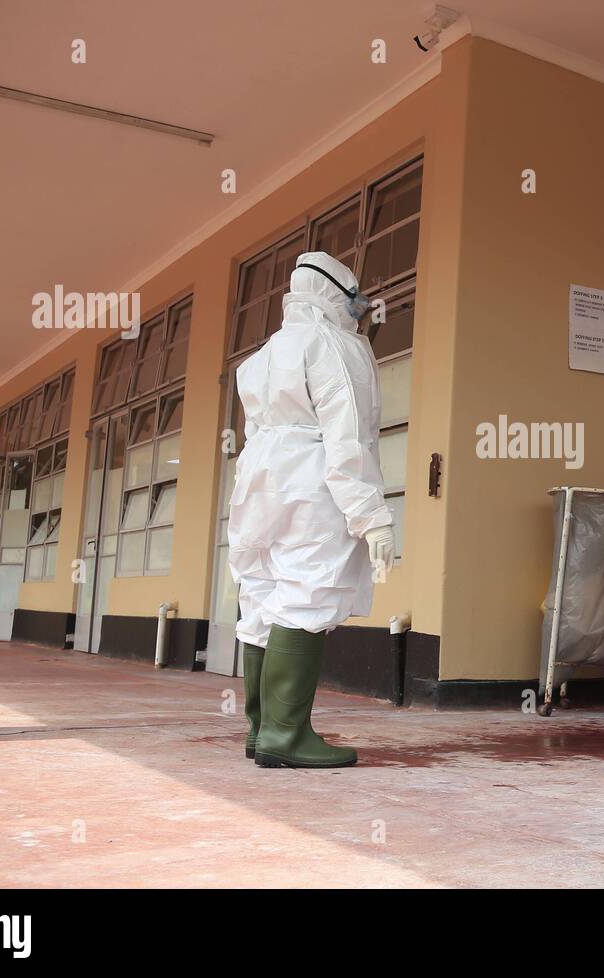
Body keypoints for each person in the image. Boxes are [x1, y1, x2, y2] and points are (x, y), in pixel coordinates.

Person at [228, 252, 395, 769]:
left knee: (261, 598)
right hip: (310, 480)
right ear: (335, 296)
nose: (360, 312)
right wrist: (373, 517)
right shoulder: (336, 346)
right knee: (306, 591)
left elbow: (256, 436)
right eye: (356, 301)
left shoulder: (258, 359)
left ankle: (260, 730)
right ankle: (286, 734)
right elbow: (349, 440)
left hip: (258, 481)